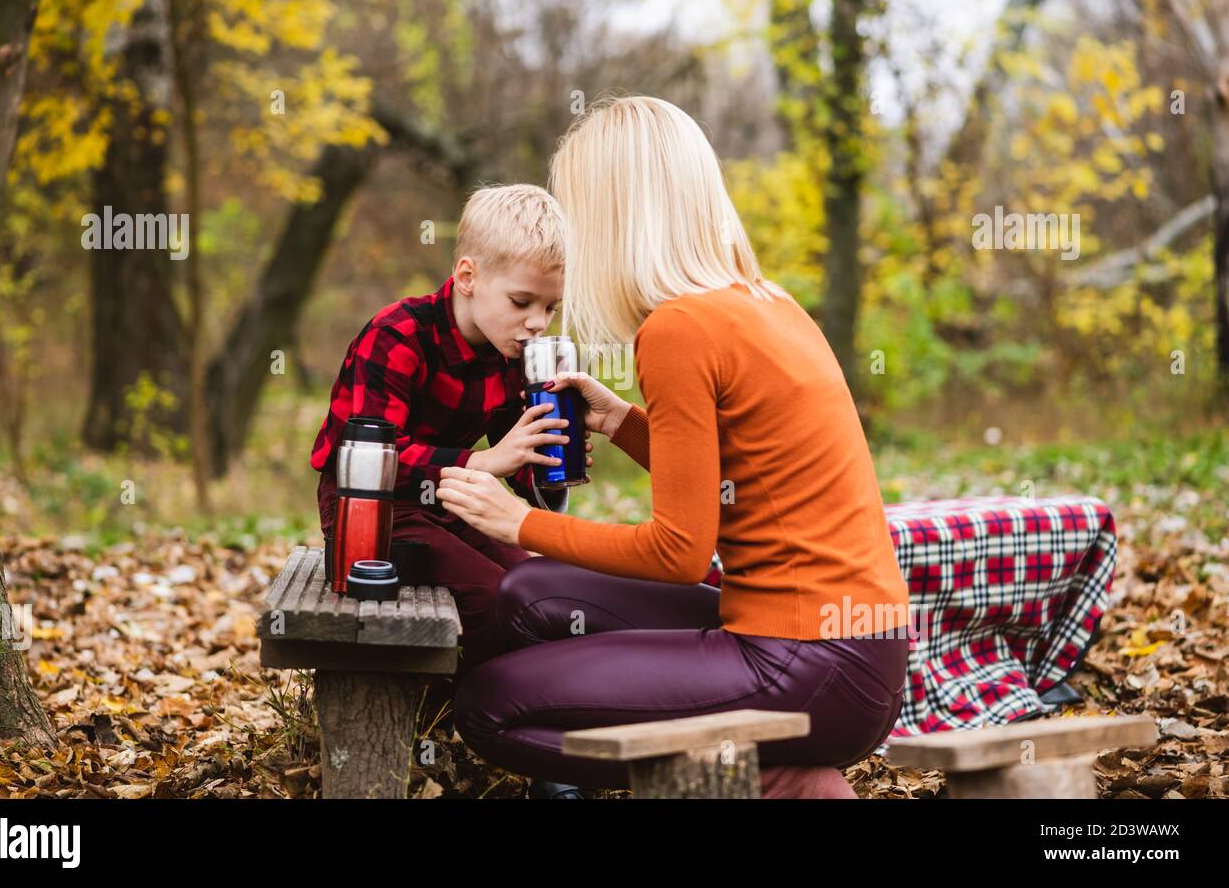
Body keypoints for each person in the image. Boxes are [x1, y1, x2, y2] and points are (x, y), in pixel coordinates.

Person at [436, 96, 912, 799]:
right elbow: (742, 476)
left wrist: (520, 524)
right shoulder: (765, 301)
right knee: (529, 593)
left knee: (488, 705)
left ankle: (766, 774)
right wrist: (619, 419)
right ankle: (784, 770)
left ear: (615, 213)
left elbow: (679, 551)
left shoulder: (678, 330)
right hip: (860, 655)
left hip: (806, 666)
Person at [309, 183, 593, 679]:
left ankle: (536, 693)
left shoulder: (510, 354)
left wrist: (548, 465)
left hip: (452, 501)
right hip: (370, 506)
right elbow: (367, 456)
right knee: (489, 596)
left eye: (549, 308)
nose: (535, 324)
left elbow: (514, 454)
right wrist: (481, 462)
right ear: (467, 276)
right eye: (522, 301)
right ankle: (452, 710)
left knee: (532, 585)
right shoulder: (398, 335)